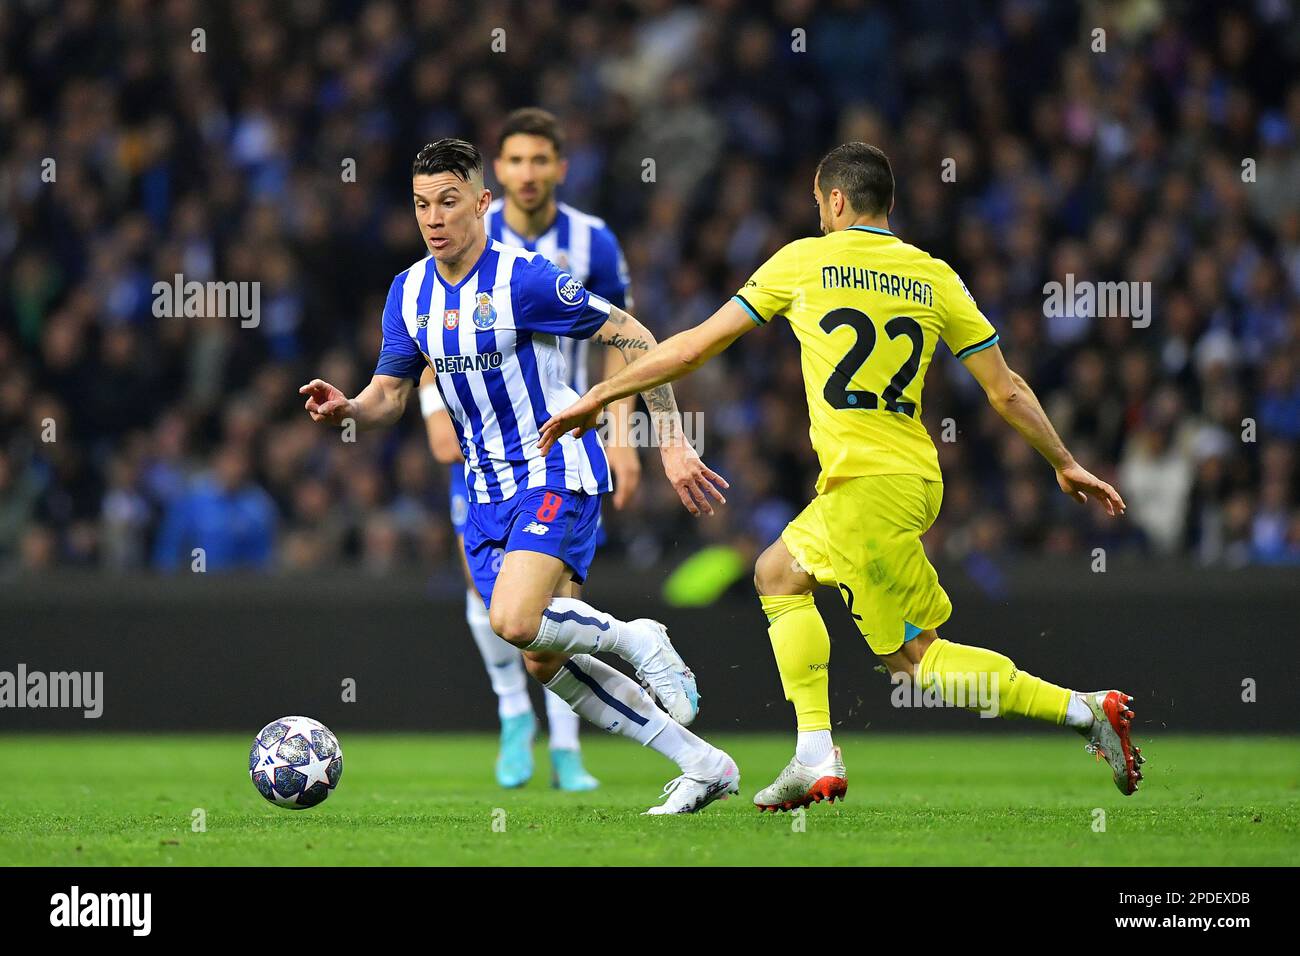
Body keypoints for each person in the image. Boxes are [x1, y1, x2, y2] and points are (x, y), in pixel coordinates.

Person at [539, 142, 1145, 811]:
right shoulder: (933, 274)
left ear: (834, 200)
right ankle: (813, 751)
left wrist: (600, 395)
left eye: (818, 205)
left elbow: (693, 346)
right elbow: (1005, 391)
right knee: (780, 574)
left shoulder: (804, 260)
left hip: (865, 486)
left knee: (918, 665)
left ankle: (1085, 712)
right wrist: (1063, 461)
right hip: (911, 478)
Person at [301, 138, 738, 814]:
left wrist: (670, 442)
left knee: (512, 618)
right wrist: (351, 407)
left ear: (481, 203)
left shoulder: (525, 278)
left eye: (449, 201)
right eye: (422, 205)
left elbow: (634, 336)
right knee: (541, 657)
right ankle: (701, 763)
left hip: (553, 464)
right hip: (483, 494)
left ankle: (637, 638)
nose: (434, 218)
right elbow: (390, 394)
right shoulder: (408, 292)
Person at [418, 109, 638, 791]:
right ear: (497, 174)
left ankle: (566, 746)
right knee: (485, 592)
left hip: (557, 443)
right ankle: (516, 715)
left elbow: (624, 341)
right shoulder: (464, 232)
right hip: (481, 446)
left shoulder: (592, 242)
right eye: (515, 160)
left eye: (541, 160)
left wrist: (625, 438)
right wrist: (432, 411)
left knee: (553, 598)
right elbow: (428, 337)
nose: (528, 173)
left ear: (560, 168)